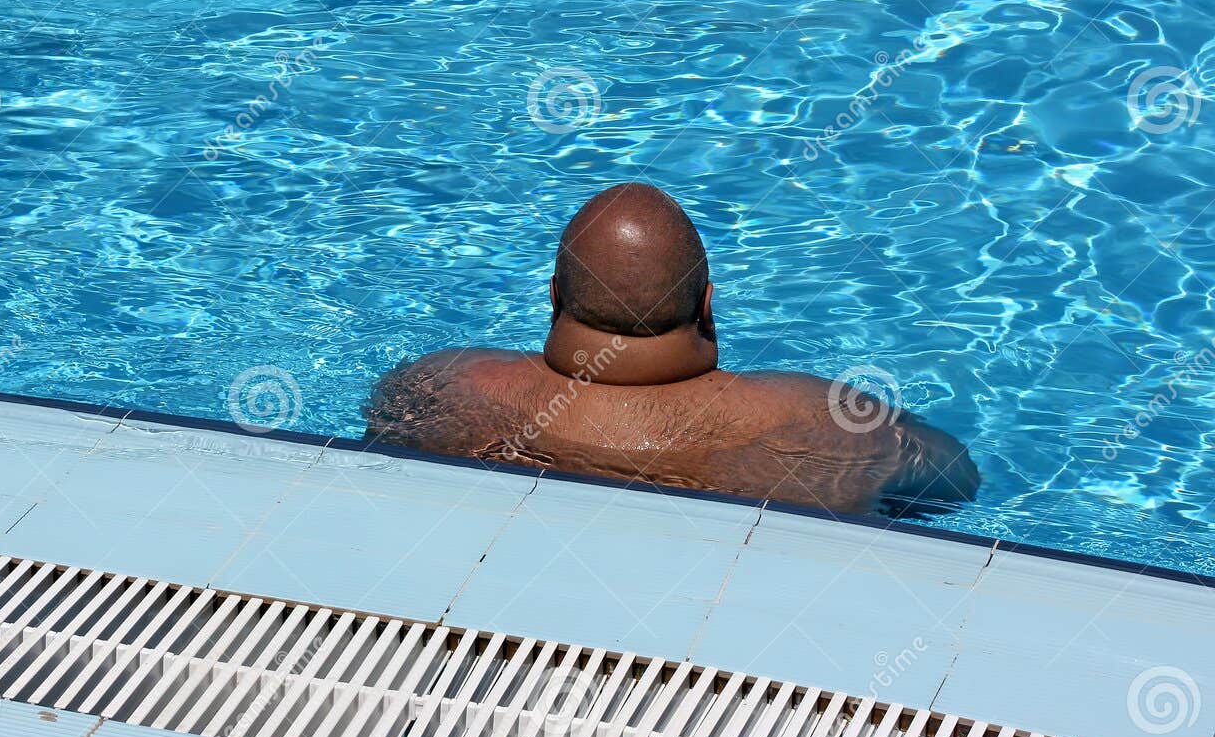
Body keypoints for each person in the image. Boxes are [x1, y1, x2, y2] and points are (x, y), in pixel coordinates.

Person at [363, 183, 977, 515]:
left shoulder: (438, 385)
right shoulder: (828, 420)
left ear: (553, 298)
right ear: (707, 305)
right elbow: (958, 482)